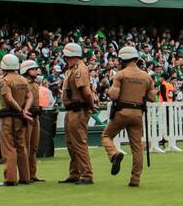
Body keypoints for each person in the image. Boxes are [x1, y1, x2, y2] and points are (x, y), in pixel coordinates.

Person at [101, 45, 156, 188]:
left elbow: (114, 95)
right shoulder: (146, 76)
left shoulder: (120, 75)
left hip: (121, 112)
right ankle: (135, 179)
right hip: (137, 114)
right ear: (136, 59)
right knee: (137, 147)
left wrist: (108, 89)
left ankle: (114, 154)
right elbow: (151, 98)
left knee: (106, 136)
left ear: (121, 60)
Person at [59, 42, 96, 185]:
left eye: (67, 57)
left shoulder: (79, 69)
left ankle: (86, 174)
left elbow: (86, 92)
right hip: (72, 110)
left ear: (72, 56)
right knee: (71, 143)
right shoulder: (72, 69)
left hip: (78, 110)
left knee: (79, 143)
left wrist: (91, 106)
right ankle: (75, 173)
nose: (65, 59)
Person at [0, 53, 33, 187]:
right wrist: (24, 110)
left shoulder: (5, 81)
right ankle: (25, 177)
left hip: (9, 117)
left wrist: (19, 111)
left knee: (9, 148)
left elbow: (8, 98)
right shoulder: (23, 80)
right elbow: (29, 97)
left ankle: (10, 179)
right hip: (21, 118)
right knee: (21, 147)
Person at [20, 59, 44, 183]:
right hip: (27, 117)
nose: (36, 71)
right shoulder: (23, 83)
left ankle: (32, 174)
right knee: (26, 146)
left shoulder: (35, 84)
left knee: (33, 147)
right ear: (26, 70)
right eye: (33, 69)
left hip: (35, 117)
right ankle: (26, 174)